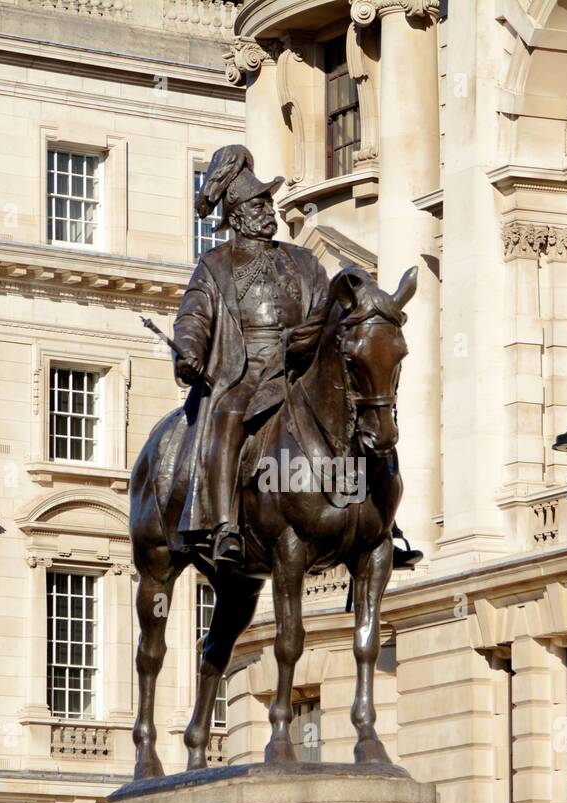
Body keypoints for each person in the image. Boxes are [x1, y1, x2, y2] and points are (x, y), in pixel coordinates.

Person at [169, 144, 423, 571]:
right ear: (236, 216)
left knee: (363, 413)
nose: (268, 210)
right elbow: (194, 316)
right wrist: (190, 353)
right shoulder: (214, 266)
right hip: (242, 370)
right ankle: (223, 525)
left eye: (268, 202)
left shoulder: (303, 261)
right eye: (258, 203)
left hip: (299, 363)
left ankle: (383, 525)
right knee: (227, 418)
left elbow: (331, 308)